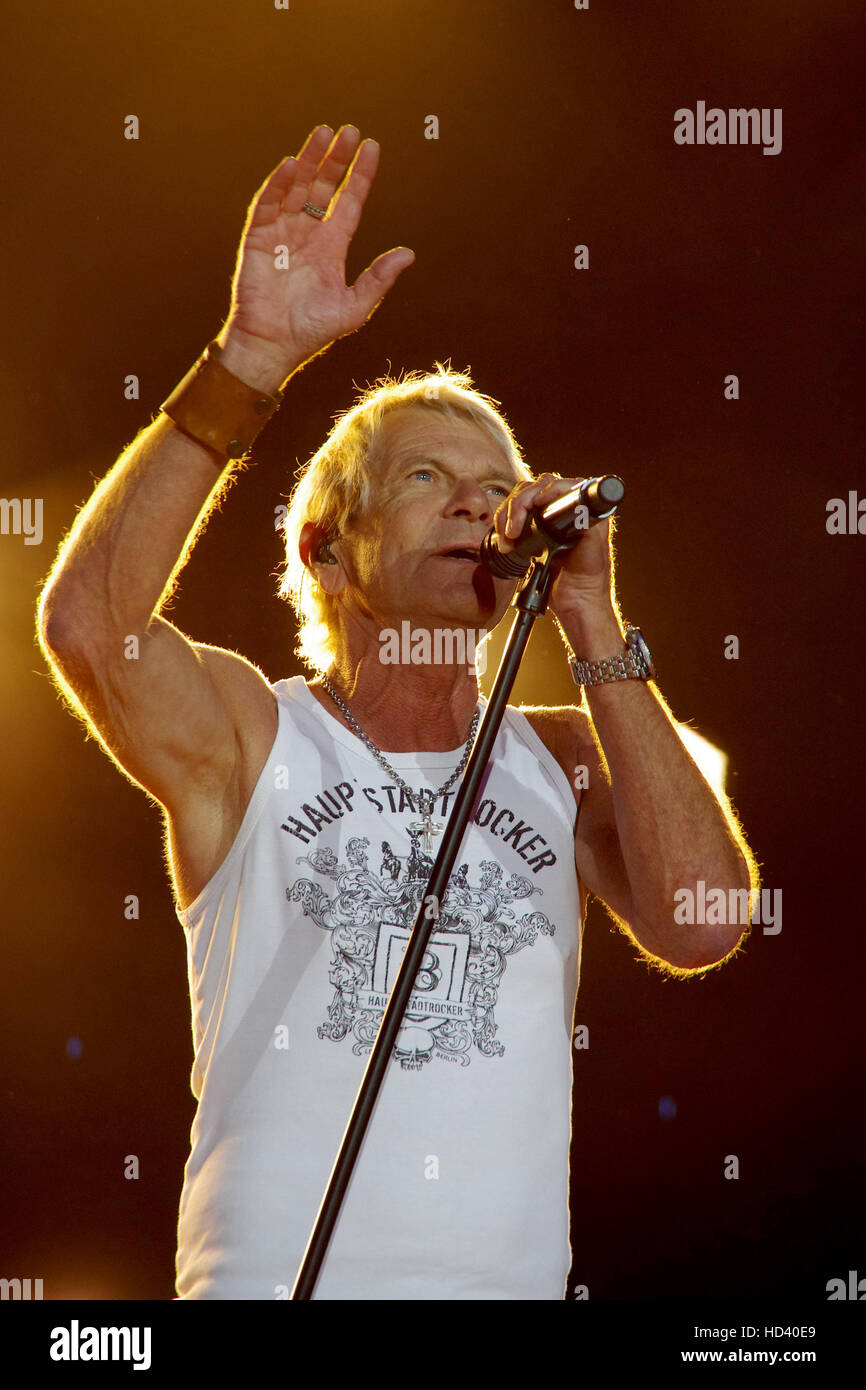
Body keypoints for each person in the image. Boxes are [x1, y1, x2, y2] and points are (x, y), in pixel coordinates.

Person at [37, 123, 756, 1300]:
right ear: (327, 547)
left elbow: (706, 919)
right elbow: (87, 627)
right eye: (425, 480)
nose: (473, 505)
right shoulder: (252, 735)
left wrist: (592, 624)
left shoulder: (573, 754)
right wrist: (250, 359)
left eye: (492, 488)